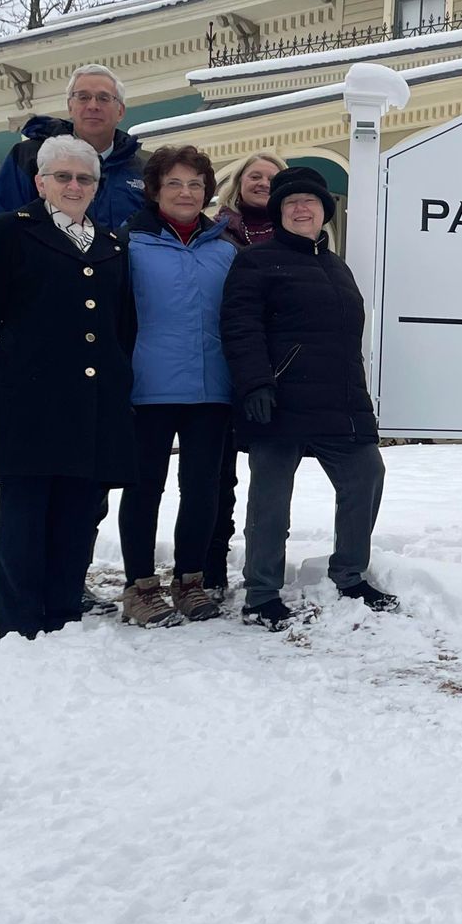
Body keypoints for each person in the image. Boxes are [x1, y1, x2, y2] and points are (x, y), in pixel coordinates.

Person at [0, 136, 136, 639]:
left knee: (78, 514)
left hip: (93, 403)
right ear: (40, 182)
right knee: (25, 514)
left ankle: (62, 615)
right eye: (63, 176)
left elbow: (124, 327)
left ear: (97, 188)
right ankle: (18, 623)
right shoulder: (11, 231)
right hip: (27, 398)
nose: (74, 186)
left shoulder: (112, 245)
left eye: (85, 179)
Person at [220, 166, 394, 629]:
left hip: (338, 402)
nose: (301, 208)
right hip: (277, 400)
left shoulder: (338, 268)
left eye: (310, 201)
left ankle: (350, 572)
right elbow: (240, 326)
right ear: (279, 212)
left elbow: (344, 343)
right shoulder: (256, 260)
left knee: (365, 474)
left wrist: (361, 403)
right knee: (271, 502)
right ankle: (261, 594)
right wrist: (255, 383)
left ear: (323, 211)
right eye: (291, 201)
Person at [115, 145, 238, 628]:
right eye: (174, 184)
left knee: (203, 488)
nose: (186, 193)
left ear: (207, 191)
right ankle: (140, 587)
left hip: (212, 388)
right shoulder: (129, 244)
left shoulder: (226, 249)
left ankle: (190, 581)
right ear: (154, 190)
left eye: (195, 184)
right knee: (145, 489)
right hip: (148, 387)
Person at [205, 152, 285, 596]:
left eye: (273, 178)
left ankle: (262, 569)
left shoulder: (295, 237)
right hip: (223, 368)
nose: (263, 183)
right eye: (255, 176)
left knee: (270, 476)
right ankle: (210, 568)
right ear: (238, 184)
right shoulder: (217, 233)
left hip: (276, 370)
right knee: (219, 478)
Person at [0, 65, 147, 234]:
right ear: (70, 106)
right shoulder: (28, 158)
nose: (93, 105)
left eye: (104, 98)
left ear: (121, 111)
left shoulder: (142, 174)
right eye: (83, 97)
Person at [217, 152, 283, 249]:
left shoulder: (298, 230)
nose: (264, 183)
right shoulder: (216, 230)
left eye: (273, 180)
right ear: (239, 182)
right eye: (255, 177)